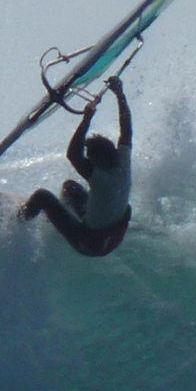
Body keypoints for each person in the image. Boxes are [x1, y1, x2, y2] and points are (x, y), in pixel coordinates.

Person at [20, 75, 132, 257]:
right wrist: (120, 95)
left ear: (100, 161)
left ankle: (17, 224)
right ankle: (54, 219)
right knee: (70, 187)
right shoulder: (123, 164)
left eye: (90, 160)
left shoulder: (102, 180)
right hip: (110, 237)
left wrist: (87, 118)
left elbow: (73, 154)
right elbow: (126, 130)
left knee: (42, 196)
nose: (87, 163)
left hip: (87, 242)